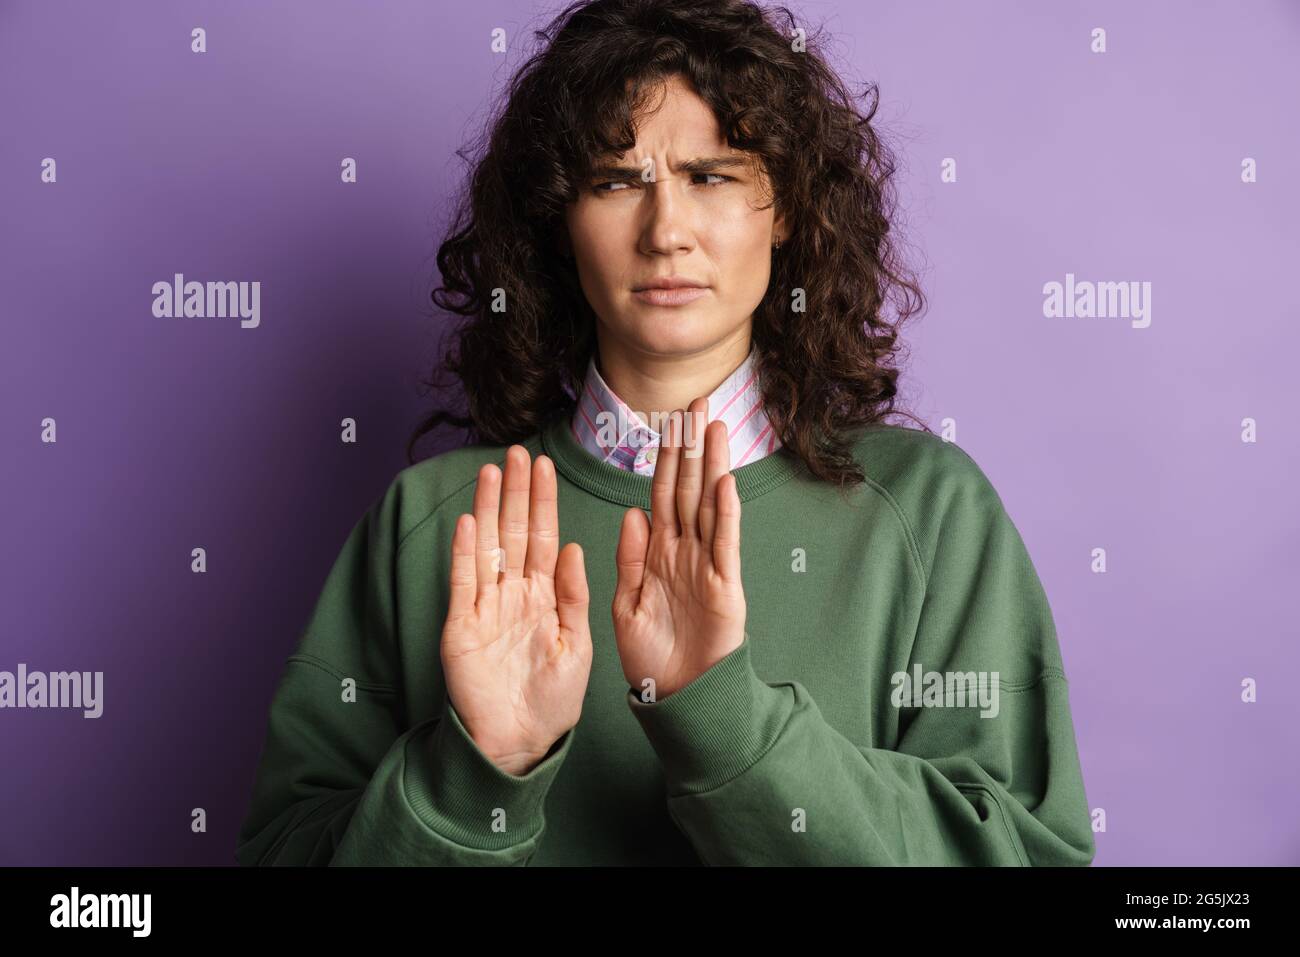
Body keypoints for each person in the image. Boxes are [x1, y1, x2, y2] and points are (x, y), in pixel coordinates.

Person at [237, 0, 1096, 866]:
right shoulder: (430, 520)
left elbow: (1027, 855)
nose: (666, 233)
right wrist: (474, 772)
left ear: (787, 208)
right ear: (558, 219)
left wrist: (725, 721)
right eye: (616, 181)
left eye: (711, 175)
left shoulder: (931, 511)